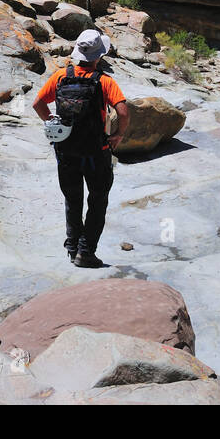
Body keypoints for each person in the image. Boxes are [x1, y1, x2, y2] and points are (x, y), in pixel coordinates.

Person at [32, 29, 129, 268]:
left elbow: (37, 104)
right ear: (98, 55)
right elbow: (123, 112)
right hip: (96, 151)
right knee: (98, 199)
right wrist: (118, 135)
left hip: (66, 150)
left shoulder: (60, 77)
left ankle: (72, 246)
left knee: (72, 198)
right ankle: (85, 252)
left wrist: (53, 122)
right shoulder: (104, 81)